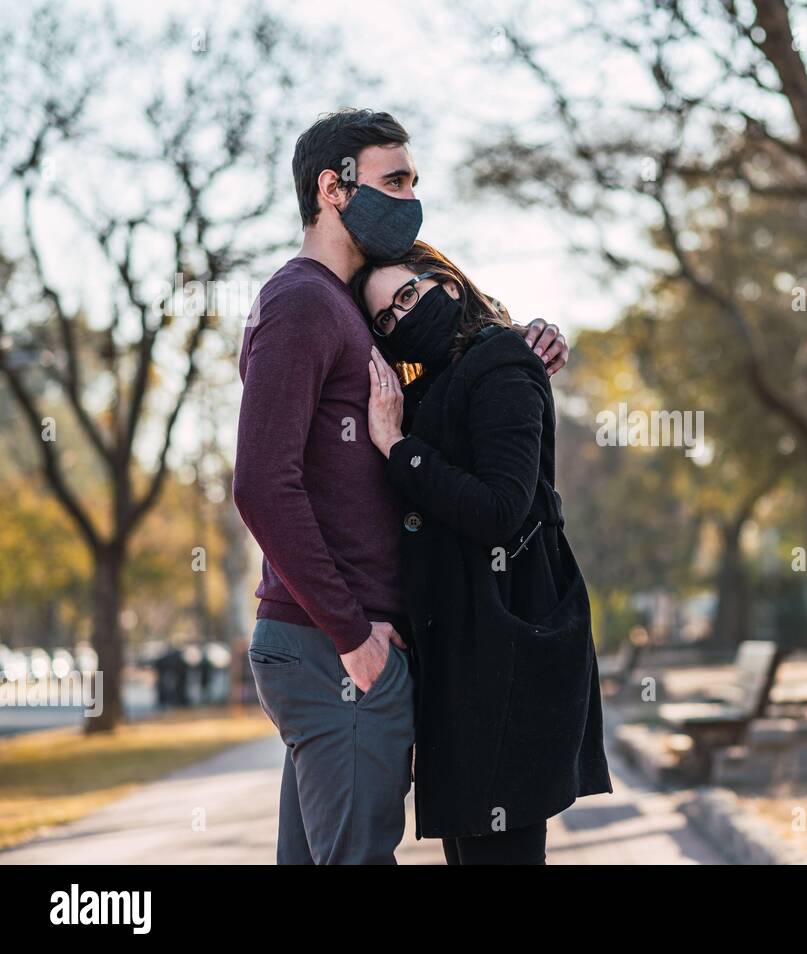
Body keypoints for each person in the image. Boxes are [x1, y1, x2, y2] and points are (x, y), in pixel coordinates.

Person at [232, 109, 569, 864]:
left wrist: (519, 340)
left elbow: (445, 380)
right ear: (333, 188)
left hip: (336, 644)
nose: (410, 196)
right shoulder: (302, 302)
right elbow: (260, 484)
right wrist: (354, 637)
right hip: (335, 646)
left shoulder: (346, 308)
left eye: (413, 180)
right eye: (394, 180)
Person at [353, 241, 612, 865]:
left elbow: (501, 511)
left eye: (409, 295)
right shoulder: (442, 380)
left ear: (447, 282)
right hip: (459, 662)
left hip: (504, 654)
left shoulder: (500, 359)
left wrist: (397, 446)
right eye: (385, 320)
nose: (400, 320)